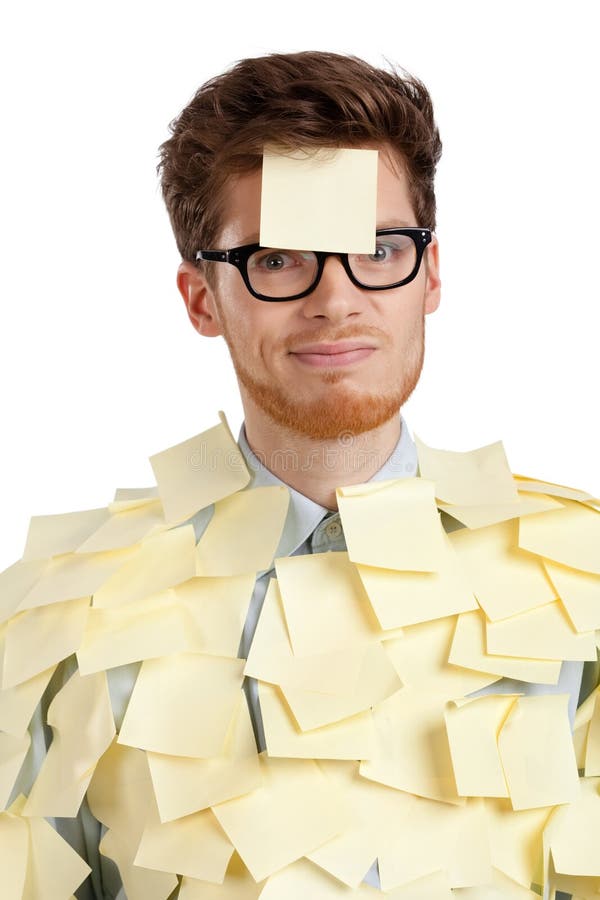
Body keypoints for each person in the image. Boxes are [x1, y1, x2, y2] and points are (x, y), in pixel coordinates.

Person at [4, 51, 598, 900]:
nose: (337, 300)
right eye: (279, 259)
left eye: (378, 249)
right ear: (201, 297)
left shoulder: (584, 574)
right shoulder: (52, 609)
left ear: (428, 275)